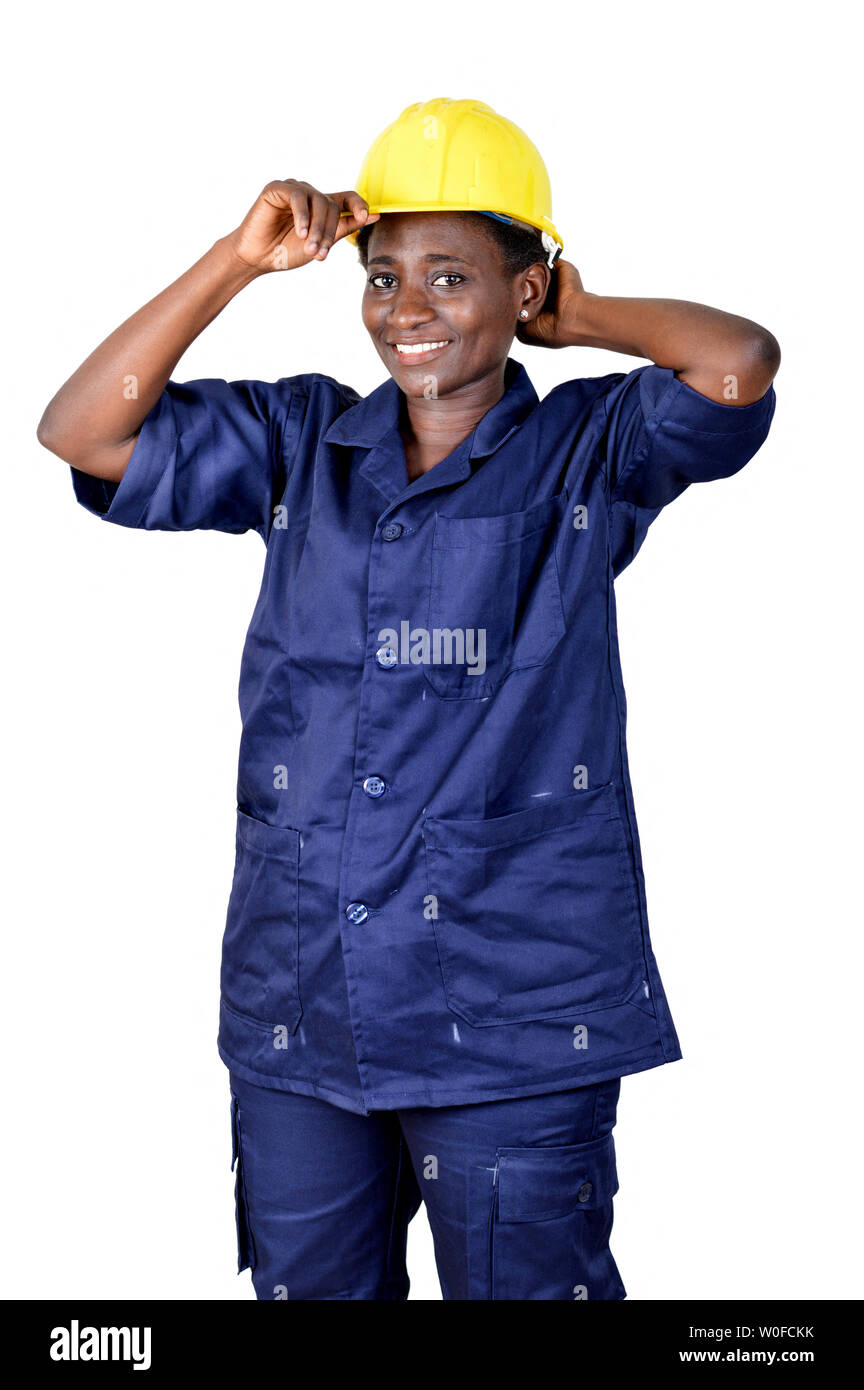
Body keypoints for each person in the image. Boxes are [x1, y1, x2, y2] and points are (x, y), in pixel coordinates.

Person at [37, 98, 779, 1301]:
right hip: (303, 995)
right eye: (383, 278)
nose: (408, 310)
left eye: (450, 275)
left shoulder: (592, 451)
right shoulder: (299, 440)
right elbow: (82, 432)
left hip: (515, 997)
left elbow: (737, 364)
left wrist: (576, 315)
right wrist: (238, 260)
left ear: (521, 286)